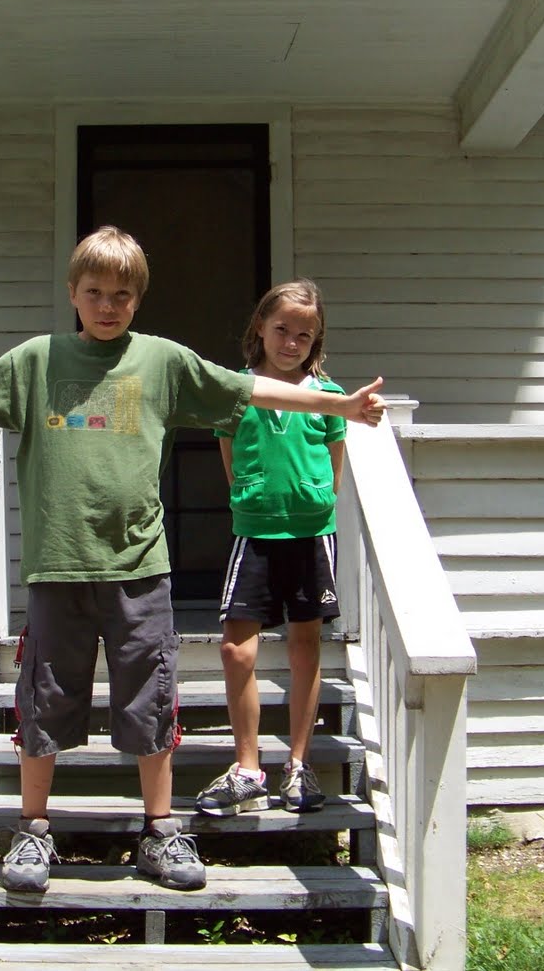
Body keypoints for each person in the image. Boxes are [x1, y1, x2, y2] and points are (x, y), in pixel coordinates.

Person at [0, 227, 384, 895]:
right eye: (95, 292)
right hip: (58, 566)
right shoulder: (36, 361)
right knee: (45, 701)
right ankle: (33, 828)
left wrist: (337, 404)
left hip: (140, 566)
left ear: (138, 300)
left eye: (122, 294)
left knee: (150, 701)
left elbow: (254, 390)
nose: (108, 304)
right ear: (72, 294)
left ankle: (160, 829)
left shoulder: (162, 362)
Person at [195, 280, 347, 818]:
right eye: (281, 329)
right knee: (236, 647)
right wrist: (250, 495)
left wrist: (317, 498)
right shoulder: (237, 390)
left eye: (303, 335)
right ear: (260, 327)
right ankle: (247, 767)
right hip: (255, 533)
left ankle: (299, 766)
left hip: (311, 534)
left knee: (305, 644)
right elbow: (230, 453)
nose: (290, 342)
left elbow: (334, 460)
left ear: (316, 340)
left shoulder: (328, 394)